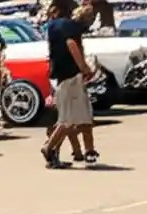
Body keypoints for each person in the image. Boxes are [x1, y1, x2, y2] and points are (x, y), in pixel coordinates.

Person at [42, 0, 97, 168]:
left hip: (60, 76)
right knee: (69, 119)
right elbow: (71, 45)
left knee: (72, 117)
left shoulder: (52, 27)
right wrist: (84, 67)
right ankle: (49, 147)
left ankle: (79, 151)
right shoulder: (70, 26)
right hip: (72, 76)